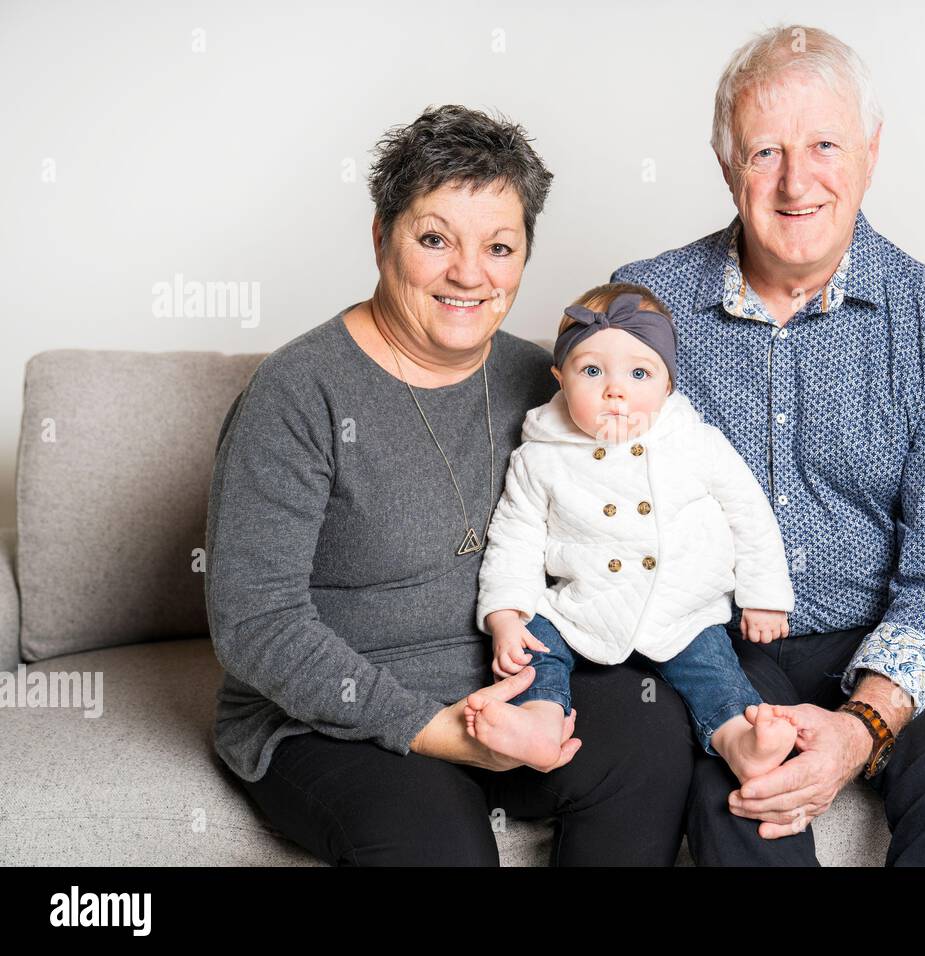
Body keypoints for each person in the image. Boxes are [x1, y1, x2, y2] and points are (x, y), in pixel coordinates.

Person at [204, 104, 694, 866]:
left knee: (651, 734)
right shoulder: (299, 394)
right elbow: (255, 623)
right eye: (435, 240)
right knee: (440, 844)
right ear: (380, 237)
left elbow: (624, 519)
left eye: (499, 247)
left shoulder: (545, 380)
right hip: (336, 720)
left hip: (519, 694)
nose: (470, 274)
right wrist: (448, 735)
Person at [610, 24, 925, 865]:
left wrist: (859, 726)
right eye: (765, 151)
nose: (796, 181)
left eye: (825, 144)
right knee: (735, 787)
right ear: (726, 164)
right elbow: (601, 505)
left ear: (871, 152)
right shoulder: (646, 308)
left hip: (879, 628)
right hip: (713, 636)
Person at [468, 284, 801, 784]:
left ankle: (739, 738)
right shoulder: (540, 455)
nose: (614, 390)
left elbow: (748, 511)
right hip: (585, 605)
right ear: (560, 378)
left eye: (639, 373)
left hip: (681, 606)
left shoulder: (693, 441)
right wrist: (504, 615)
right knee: (535, 642)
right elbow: (514, 536)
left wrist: (765, 595)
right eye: (592, 371)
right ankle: (541, 719)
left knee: (712, 670)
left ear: (668, 385)